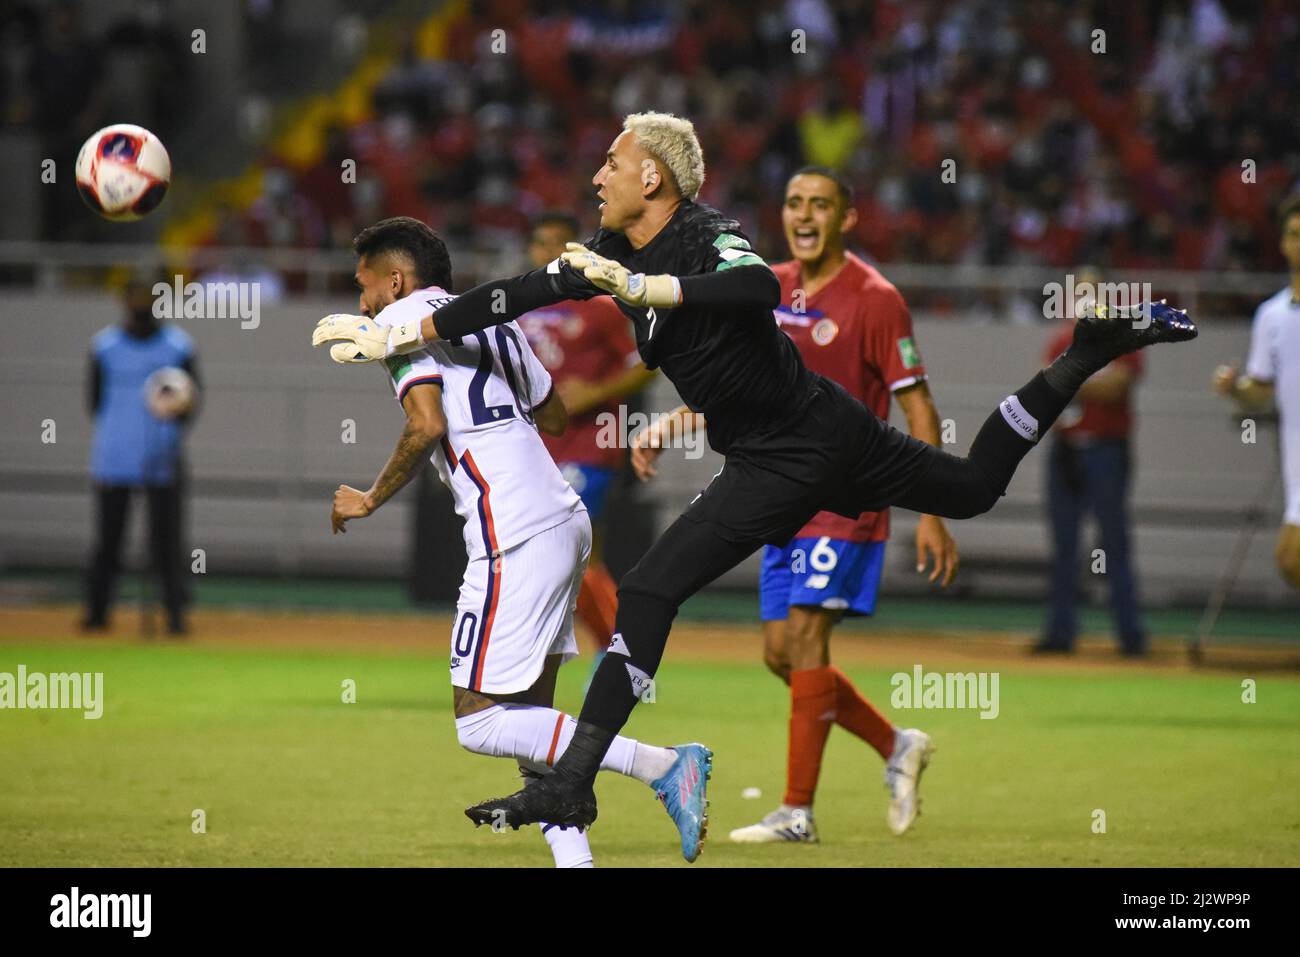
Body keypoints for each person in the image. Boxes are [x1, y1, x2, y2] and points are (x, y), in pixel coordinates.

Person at [312, 113, 1196, 842]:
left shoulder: (706, 234)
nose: (598, 179)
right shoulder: (604, 247)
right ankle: (577, 783)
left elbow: (756, 292)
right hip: (782, 444)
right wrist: (401, 335)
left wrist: (651, 292)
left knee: (958, 493)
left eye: (613, 164)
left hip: (808, 439)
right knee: (667, 583)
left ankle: (573, 782)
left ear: (654, 177)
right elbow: (511, 294)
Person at [316, 216, 711, 865]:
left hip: (513, 529)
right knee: (531, 719)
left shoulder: (398, 327)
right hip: (562, 514)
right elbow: (555, 412)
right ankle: (575, 861)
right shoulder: (495, 319)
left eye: (364, 286)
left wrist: (368, 496)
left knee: (480, 721)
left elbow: (425, 425)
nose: (360, 303)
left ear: (395, 279)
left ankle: (665, 764)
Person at [632, 166, 958, 843]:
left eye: (821, 205)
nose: (804, 215)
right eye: (794, 203)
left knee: (806, 637)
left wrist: (933, 510)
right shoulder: (762, 285)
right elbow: (741, 386)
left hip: (846, 493)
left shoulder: (876, 298)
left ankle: (796, 811)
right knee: (781, 653)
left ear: (848, 218)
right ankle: (897, 742)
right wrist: (672, 424)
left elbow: (917, 403)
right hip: (775, 494)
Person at [516, 212, 656, 659]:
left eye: (560, 243)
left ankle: (624, 653)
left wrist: (594, 391)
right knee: (545, 552)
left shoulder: (602, 308)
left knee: (579, 547)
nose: (550, 252)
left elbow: (646, 366)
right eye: (542, 243)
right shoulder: (519, 309)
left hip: (590, 444)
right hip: (535, 446)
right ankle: (590, 649)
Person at [1036, 268, 1148, 655]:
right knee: (1063, 545)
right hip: (1067, 450)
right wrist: (1085, 381)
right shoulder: (1062, 339)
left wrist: (1071, 378)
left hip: (1106, 449)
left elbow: (1116, 388)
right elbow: (1047, 389)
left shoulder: (1122, 337)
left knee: (1114, 542)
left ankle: (1130, 634)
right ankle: (1061, 632)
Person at [83, 275, 199, 636]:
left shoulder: (178, 347)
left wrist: (172, 420)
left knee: (167, 543)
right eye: (136, 297)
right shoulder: (104, 346)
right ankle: (98, 613)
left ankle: (174, 616)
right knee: (108, 541)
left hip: (162, 458)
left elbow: (191, 402)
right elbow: (95, 401)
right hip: (114, 457)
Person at [1212, 195, 1300, 589]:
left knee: (1291, 556)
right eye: (1295, 234)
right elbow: (1261, 391)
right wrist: (1235, 389)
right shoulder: (1272, 315)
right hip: (1295, 460)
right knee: (1292, 562)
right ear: (1282, 243)